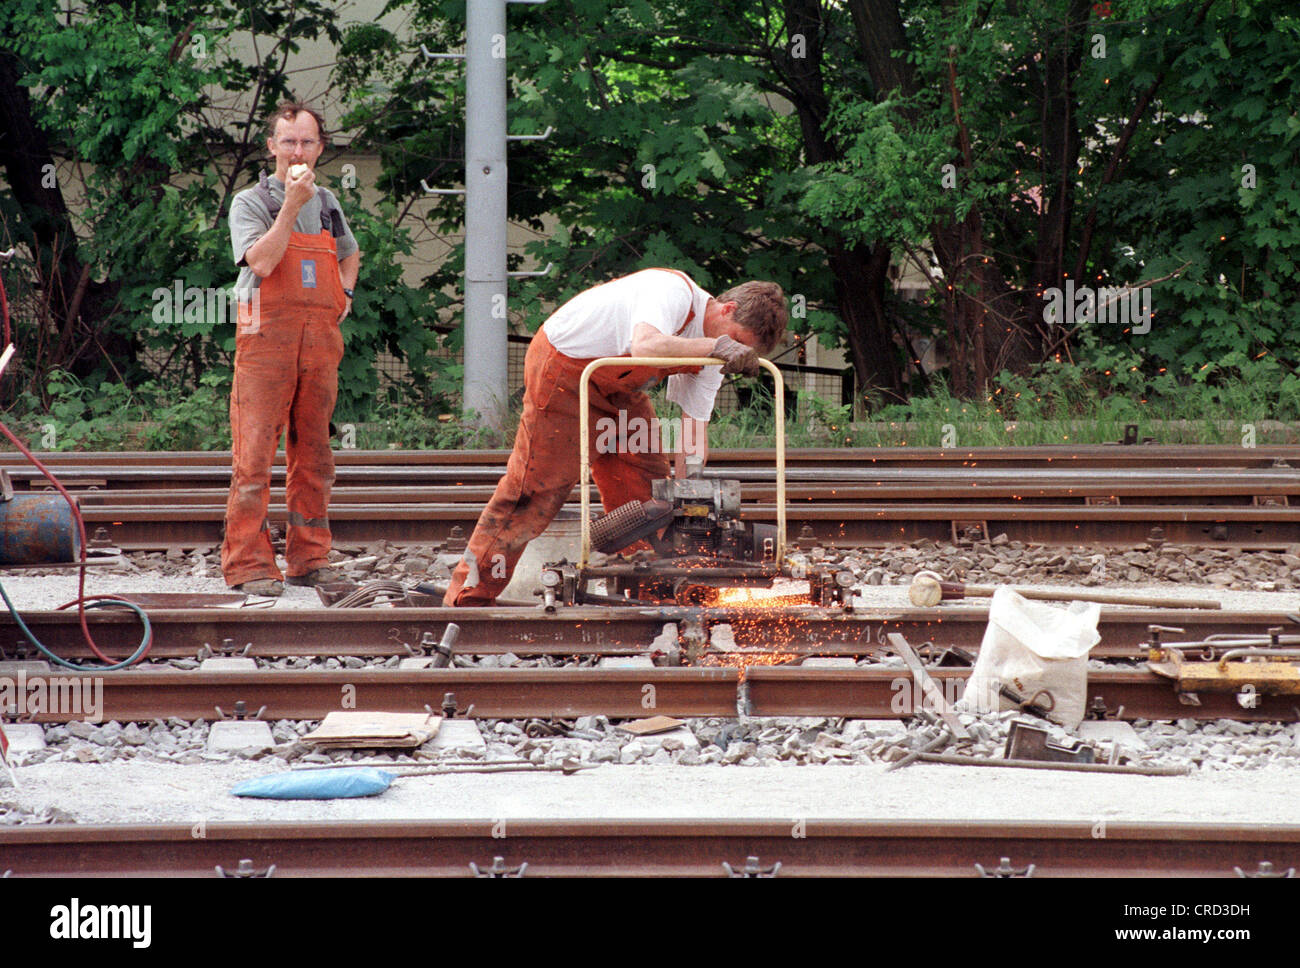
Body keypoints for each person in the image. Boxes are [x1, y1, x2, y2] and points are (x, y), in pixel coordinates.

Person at [444, 268, 788, 606]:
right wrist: (718, 345)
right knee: (533, 493)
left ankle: (650, 597)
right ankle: (466, 599)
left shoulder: (717, 351)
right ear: (727, 310)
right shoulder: (671, 292)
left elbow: (693, 428)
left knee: (650, 493)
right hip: (566, 373)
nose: (735, 351)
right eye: (738, 340)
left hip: (621, 388)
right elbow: (646, 345)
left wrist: (688, 497)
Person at [222, 102, 361, 596]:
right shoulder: (251, 202)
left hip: (319, 339)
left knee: (316, 457)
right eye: (288, 142)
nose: (297, 150)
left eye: (306, 142)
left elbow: (349, 254)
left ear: (320, 148)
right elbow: (259, 260)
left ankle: (310, 559)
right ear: (271, 146)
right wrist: (290, 205)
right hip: (265, 335)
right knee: (255, 454)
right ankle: (248, 564)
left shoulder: (327, 202)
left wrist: (345, 292)